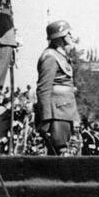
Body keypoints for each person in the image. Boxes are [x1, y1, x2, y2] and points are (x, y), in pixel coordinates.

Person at [35, 19, 78, 155]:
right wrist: (46, 118)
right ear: (59, 37)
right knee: (60, 152)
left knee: (69, 153)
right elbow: (43, 89)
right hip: (56, 114)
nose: (71, 36)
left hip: (65, 112)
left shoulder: (61, 56)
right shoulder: (50, 57)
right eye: (68, 33)